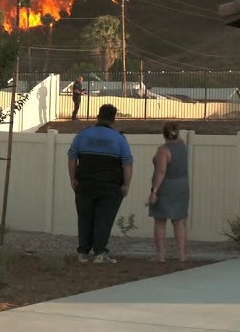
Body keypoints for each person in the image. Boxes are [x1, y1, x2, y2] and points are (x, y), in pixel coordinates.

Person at [67, 104, 132, 263]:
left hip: (85, 185)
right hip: (110, 187)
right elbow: (127, 164)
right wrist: (126, 184)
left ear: (98, 116)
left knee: (84, 218)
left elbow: (72, 157)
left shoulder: (83, 135)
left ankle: (83, 253)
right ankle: (100, 253)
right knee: (104, 219)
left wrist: (73, 178)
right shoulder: (119, 138)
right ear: (113, 119)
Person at [148, 121, 190, 262]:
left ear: (163, 133)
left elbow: (161, 172)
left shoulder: (163, 150)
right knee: (179, 221)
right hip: (182, 187)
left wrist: (154, 191)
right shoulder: (182, 145)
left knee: (160, 221)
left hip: (166, 187)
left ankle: (160, 255)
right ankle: (182, 255)